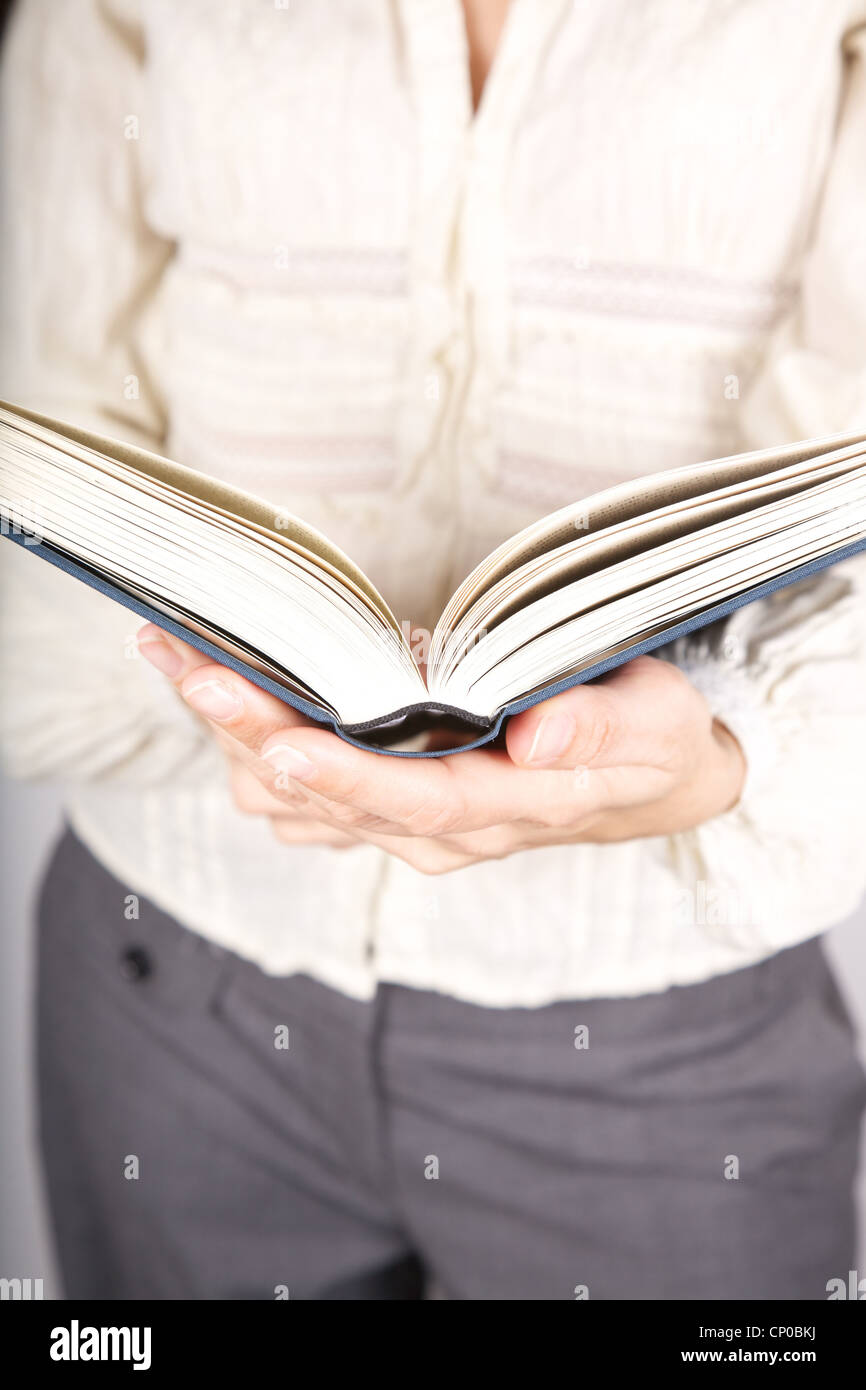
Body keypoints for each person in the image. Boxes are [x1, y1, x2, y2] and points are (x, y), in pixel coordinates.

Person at [2, 0, 865, 1300]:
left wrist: (719, 757)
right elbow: (49, 401)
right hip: (167, 993)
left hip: (664, 1048)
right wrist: (227, 692)